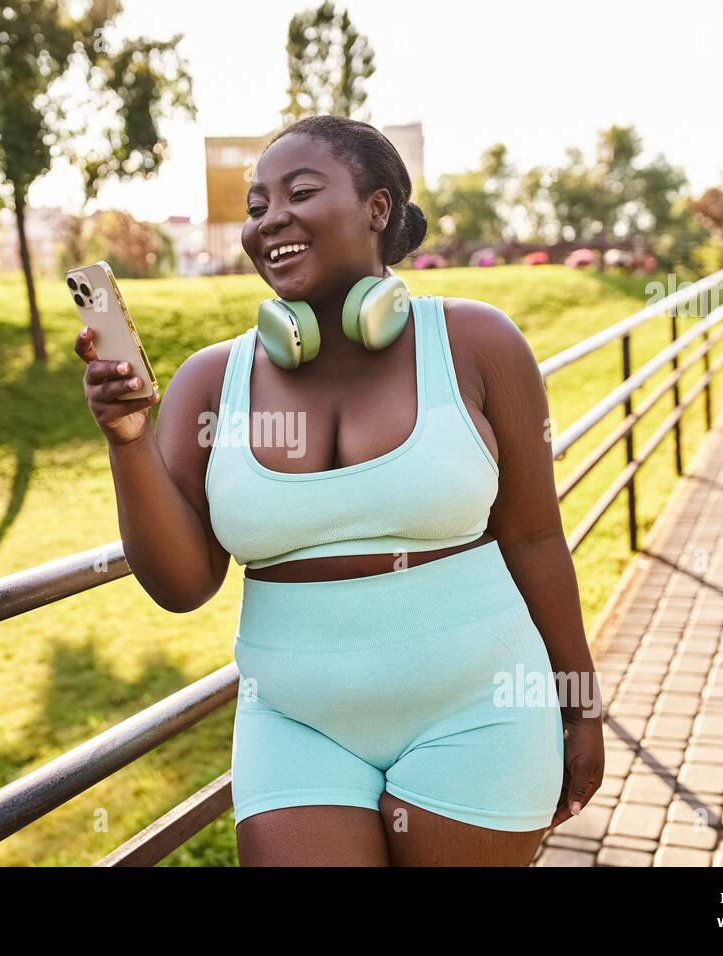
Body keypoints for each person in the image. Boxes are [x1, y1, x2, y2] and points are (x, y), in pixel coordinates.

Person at [74, 115, 604, 867]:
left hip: (481, 713)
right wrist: (128, 441)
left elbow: (535, 538)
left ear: (376, 208)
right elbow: (183, 585)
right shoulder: (207, 380)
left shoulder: (479, 343)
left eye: (300, 192)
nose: (270, 220)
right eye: (257, 206)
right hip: (294, 725)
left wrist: (583, 707)